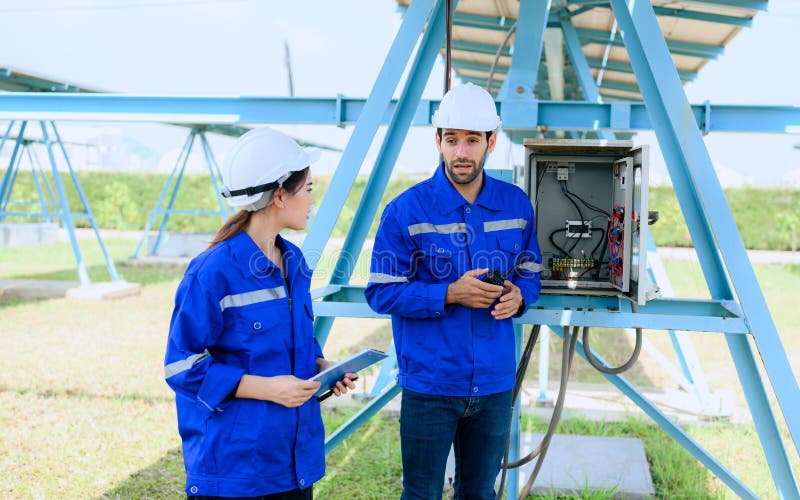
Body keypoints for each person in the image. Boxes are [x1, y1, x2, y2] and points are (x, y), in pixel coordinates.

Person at [365, 82, 543, 499]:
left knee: (479, 493)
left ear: (491, 143)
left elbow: (531, 269)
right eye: (452, 140)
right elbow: (381, 292)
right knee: (421, 494)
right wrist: (448, 294)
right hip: (430, 384)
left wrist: (522, 296)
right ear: (438, 141)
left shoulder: (516, 205)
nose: (461, 152)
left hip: (495, 384)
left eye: (472, 140)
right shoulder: (406, 211)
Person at [164, 126, 356, 499]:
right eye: (309, 190)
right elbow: (180, 366)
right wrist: (269, 389)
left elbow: (295, 336)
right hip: (237, 470)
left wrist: (321, 367)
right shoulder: (213, 271)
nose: (313, 201)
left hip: (294, 464)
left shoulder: (294, 261)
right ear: (280, 195)